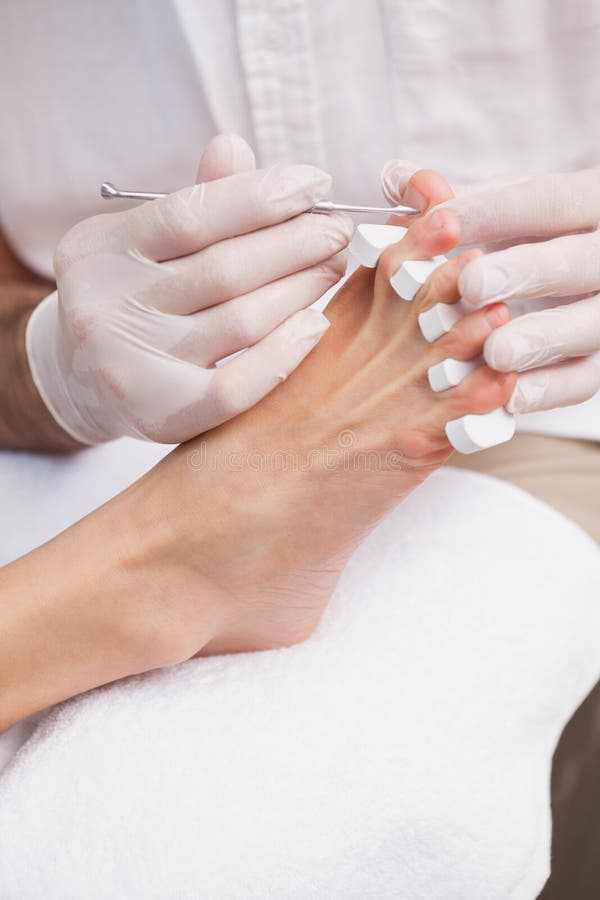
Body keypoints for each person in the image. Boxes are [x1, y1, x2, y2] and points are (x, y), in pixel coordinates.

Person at [0, 2, 599, 895]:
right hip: (101, 425)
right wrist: (44, 363)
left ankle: (151, 558)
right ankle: (158, 565)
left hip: (551, 420)